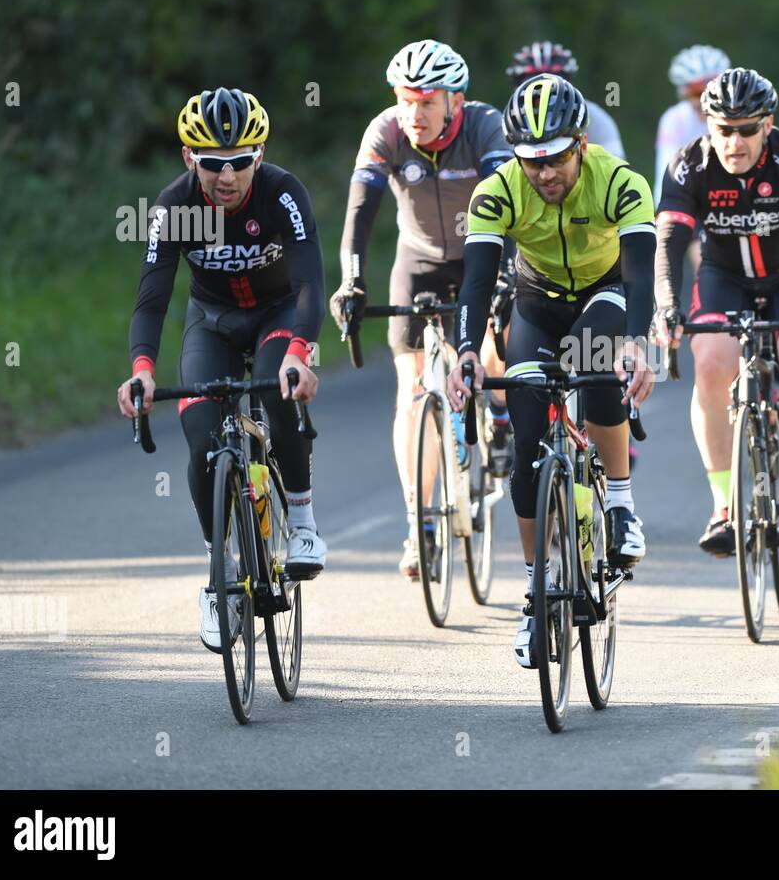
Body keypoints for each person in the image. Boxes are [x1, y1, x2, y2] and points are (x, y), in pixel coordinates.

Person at [447, 74, 656, 668]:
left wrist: (638, 345)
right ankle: (536, 591)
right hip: (536, 302)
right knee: (526, 445)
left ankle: (620, 504)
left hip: (607, 290)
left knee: (596, 364)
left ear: (581, 144)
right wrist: (467, 352)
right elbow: (476, 283)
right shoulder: (497, 191)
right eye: (531, 160)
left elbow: (641, 274)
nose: (544, 173)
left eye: (557, 158)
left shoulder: (620, 182)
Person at [117, 87, 326, 651]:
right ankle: (221, 575)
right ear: (190, 158)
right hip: (211, 321)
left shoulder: (282, 193)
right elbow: (151, 301)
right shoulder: (176, 209)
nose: (227, 176)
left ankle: (302, 521)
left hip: (278, 314)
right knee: (201, 435)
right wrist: (142, 369)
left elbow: (310, 283)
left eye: (240, 161)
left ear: (260, 155)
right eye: (212, 162)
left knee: (279, 390)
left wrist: (300, 352)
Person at [328, 39, 515, 580]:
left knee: (496, 342)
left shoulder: (486, 128)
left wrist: (507, 274)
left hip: (483, 252)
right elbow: (359, 213)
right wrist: (352, 281)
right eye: (406, 100)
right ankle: (419, 523)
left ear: (456, 100)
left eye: (427, 102)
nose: (415, 114)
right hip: (418, 260)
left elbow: (509, 206)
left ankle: (499, 411)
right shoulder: (385, 131)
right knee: (411, 392)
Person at [653, 68, 779, 555]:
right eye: (723, 130)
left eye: (747, 130)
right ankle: (723, 505)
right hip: (724, 277)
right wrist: (667, 306)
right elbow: (669, 241)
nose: (734, 142)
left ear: (768, 125)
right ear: (708, 125)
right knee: (711, 365)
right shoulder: (688, 165)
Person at [505, 40, 625, 158]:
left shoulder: (595, 118)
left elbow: (614, 163)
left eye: (554, 82)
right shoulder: (508, 120)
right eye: (532, 83)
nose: (543, 90)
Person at [655, 44, 732, 205]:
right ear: (685, 94)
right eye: (697, 93)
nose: (706, 99)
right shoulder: (674, 119)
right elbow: (667, 173)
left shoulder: (737, 115)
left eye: (713, 92)